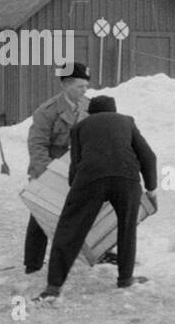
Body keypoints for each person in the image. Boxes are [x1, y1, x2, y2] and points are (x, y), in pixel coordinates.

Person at [36, 95, 157, 299]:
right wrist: (151, 190)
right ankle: (125, 279)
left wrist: (78, 195)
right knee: (127, 229)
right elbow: (148, 156)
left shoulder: (80, 128)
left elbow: (75, 167)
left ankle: (53, 288)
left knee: (68, 230)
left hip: (91, 178)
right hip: (126, 179)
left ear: (90, 113)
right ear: (114, 111)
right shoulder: (127, 122)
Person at [24, 62, 90, 273]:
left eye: (86, 86)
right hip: (51, 169)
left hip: (78, 170)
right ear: (66, 84)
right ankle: (33, 263)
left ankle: (91, 254)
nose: (84, 90)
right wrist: (46, 176)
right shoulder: (47, 111)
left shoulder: (89, 106)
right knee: (41, 215)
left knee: (84, 214)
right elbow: (37, 144)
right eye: (80, 86)